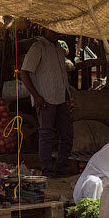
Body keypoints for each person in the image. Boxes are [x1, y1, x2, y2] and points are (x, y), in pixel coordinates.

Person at [19, 28, 74, 177]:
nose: (57, 33)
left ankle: (61, 169)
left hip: (61, 97)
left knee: (67, 134)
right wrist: (36, 96)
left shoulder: (58, 47)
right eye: (53, 31)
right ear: (44, 30)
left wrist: (67, 95)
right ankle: (47, 171)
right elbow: (24, 72)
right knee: (46, 134)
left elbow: (61, 74)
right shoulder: (38, 47)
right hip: (45, 97)